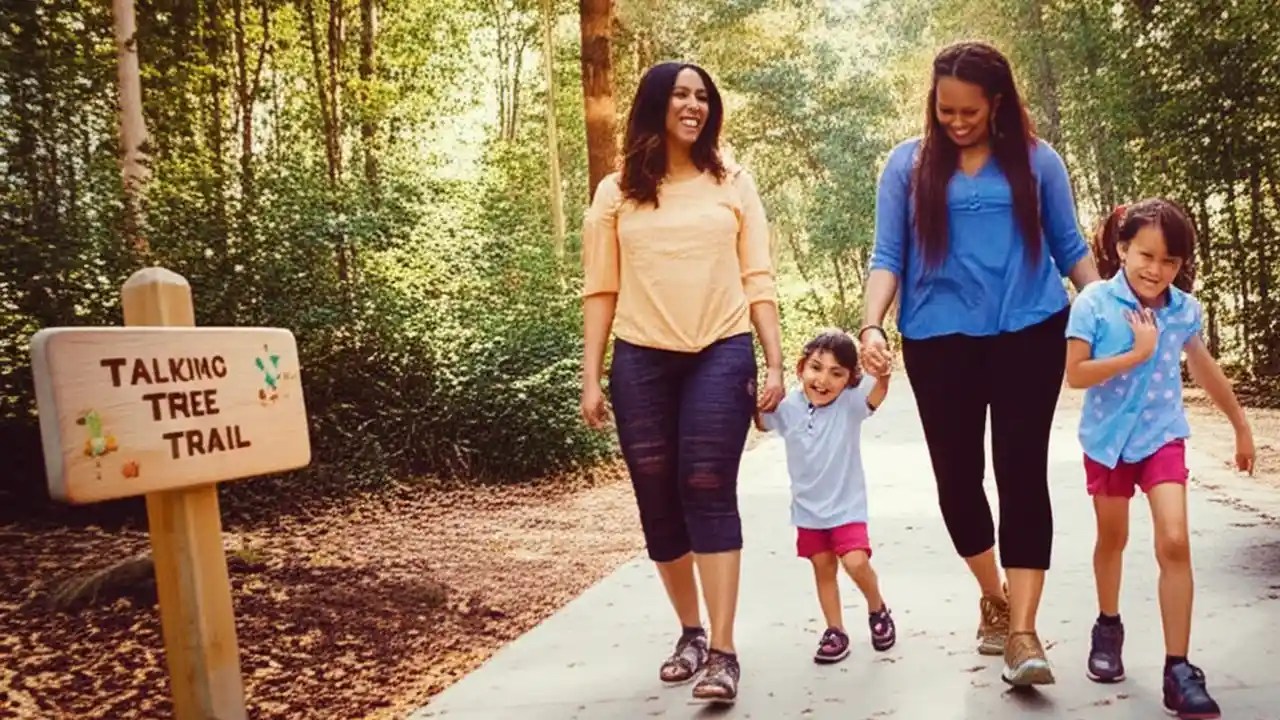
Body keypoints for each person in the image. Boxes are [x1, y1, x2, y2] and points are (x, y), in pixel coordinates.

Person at [858, 40, 1101, 687]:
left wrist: (1105, 310)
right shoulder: (906, 168)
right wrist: (870, 324)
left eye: (969, 110)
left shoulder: (1037, 162)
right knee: (957, 483)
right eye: (945, 111)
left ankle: (1023, 631)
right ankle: (992, 593)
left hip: (1029, 332)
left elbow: (1071, 247)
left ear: (997, 102)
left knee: (1021, 474)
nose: (957, 122)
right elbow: (888, 255)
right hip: (938, 343)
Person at [578, 61, 785, 705]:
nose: (693, 106)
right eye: (680, 96)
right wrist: (590, 376)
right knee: (658, 500)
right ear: (655, 107)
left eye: (702, 97)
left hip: (720, 351)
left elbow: (758, 277)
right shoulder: (617, 193)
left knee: (707, 487)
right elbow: (600, 288)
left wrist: (775, 362)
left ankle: (723, 652)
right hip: (641, 358)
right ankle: (690, 632)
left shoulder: (734, 183)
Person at [1066, 199, 1255, 719]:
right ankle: (1108, 626)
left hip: (1161, 437)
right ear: (1122, 249)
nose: (1156, 269)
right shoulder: (1094, 304)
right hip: (1107, 442)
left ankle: (1179, 669)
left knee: (1174, 540)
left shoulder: (1182, 309)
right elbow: (1076, 375)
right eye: (1146, 255)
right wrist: (1136, 354)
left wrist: (1241, 427)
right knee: (1114, 538)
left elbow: (1204, 365)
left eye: (1169, 261)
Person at [754, 330, 896, 664]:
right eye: (816, 368)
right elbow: (761, 421)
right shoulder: (788, 406)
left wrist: (884, 374)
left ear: (849, 379)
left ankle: (878, 609)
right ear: (801, 367)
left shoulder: (850, 404)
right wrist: (754, 392)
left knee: (855, 561)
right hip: (807, 511)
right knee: (823, 568)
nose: (823, 380)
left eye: (837, 373)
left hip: (847, 507)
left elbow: (878, 391)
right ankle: (836, 630)